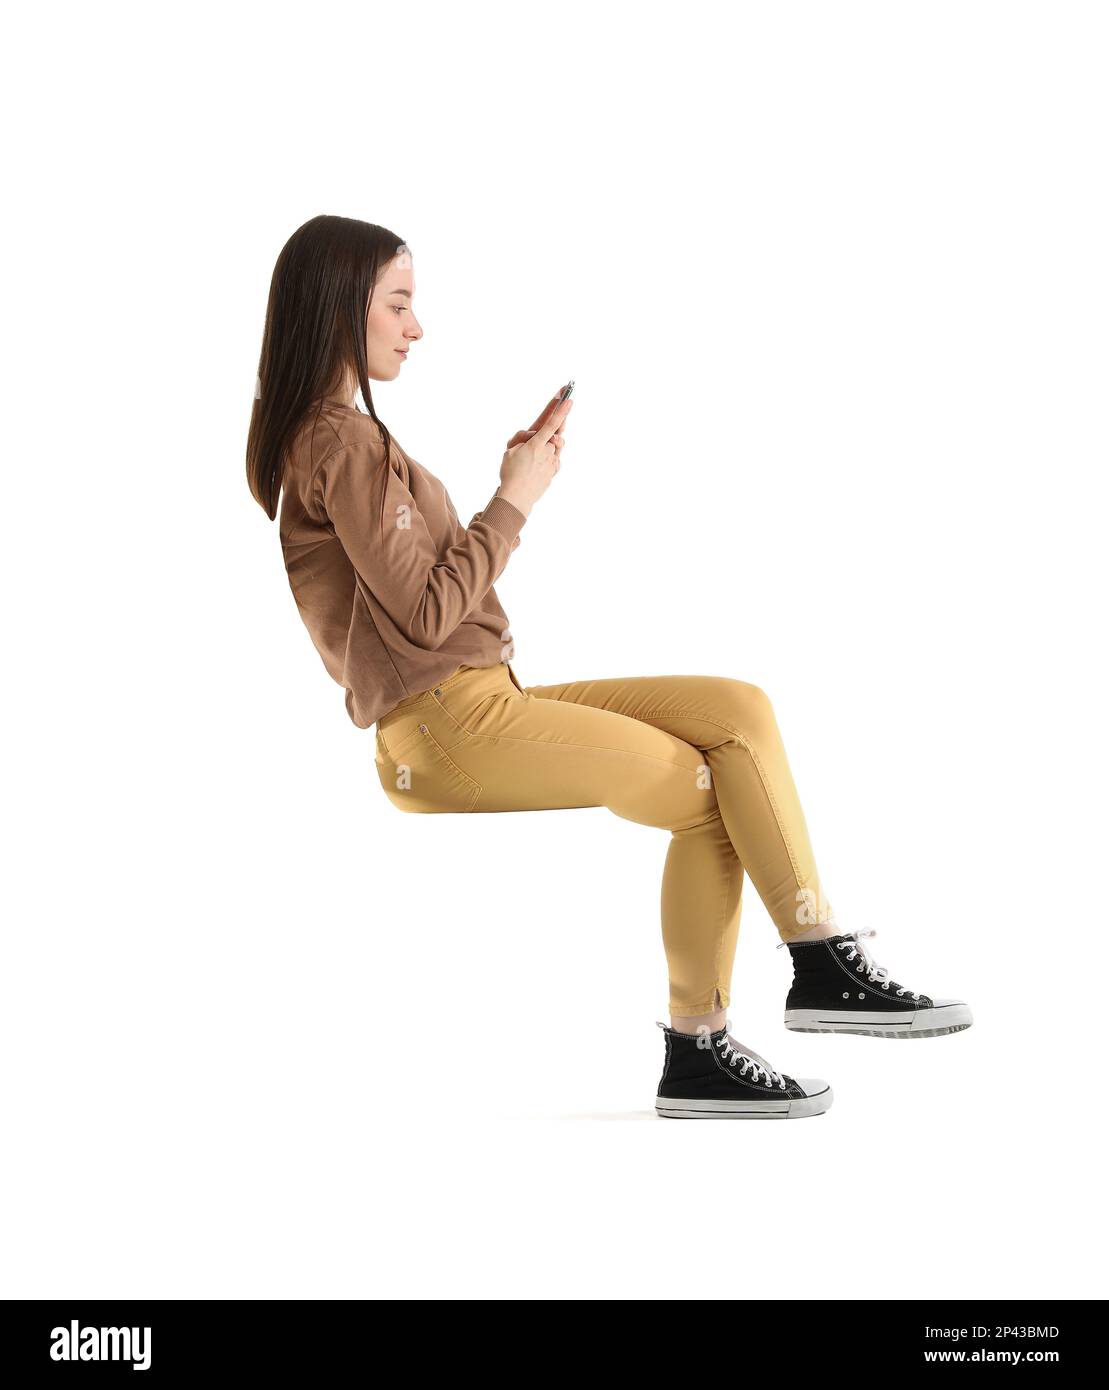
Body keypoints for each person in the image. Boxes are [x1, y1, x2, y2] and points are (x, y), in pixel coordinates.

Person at [246, 214, 972, 1120]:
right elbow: (427, 613)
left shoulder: (346, 438)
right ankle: (705, 1042)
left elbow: (423, 599)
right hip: (442, 726)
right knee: (713, 790)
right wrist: (513, 501)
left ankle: (814, 960)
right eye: (398, 305)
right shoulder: (339, 443)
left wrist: (509, 484)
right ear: (337, 308)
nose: (416, 327)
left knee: (735, 708)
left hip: (478, 700)